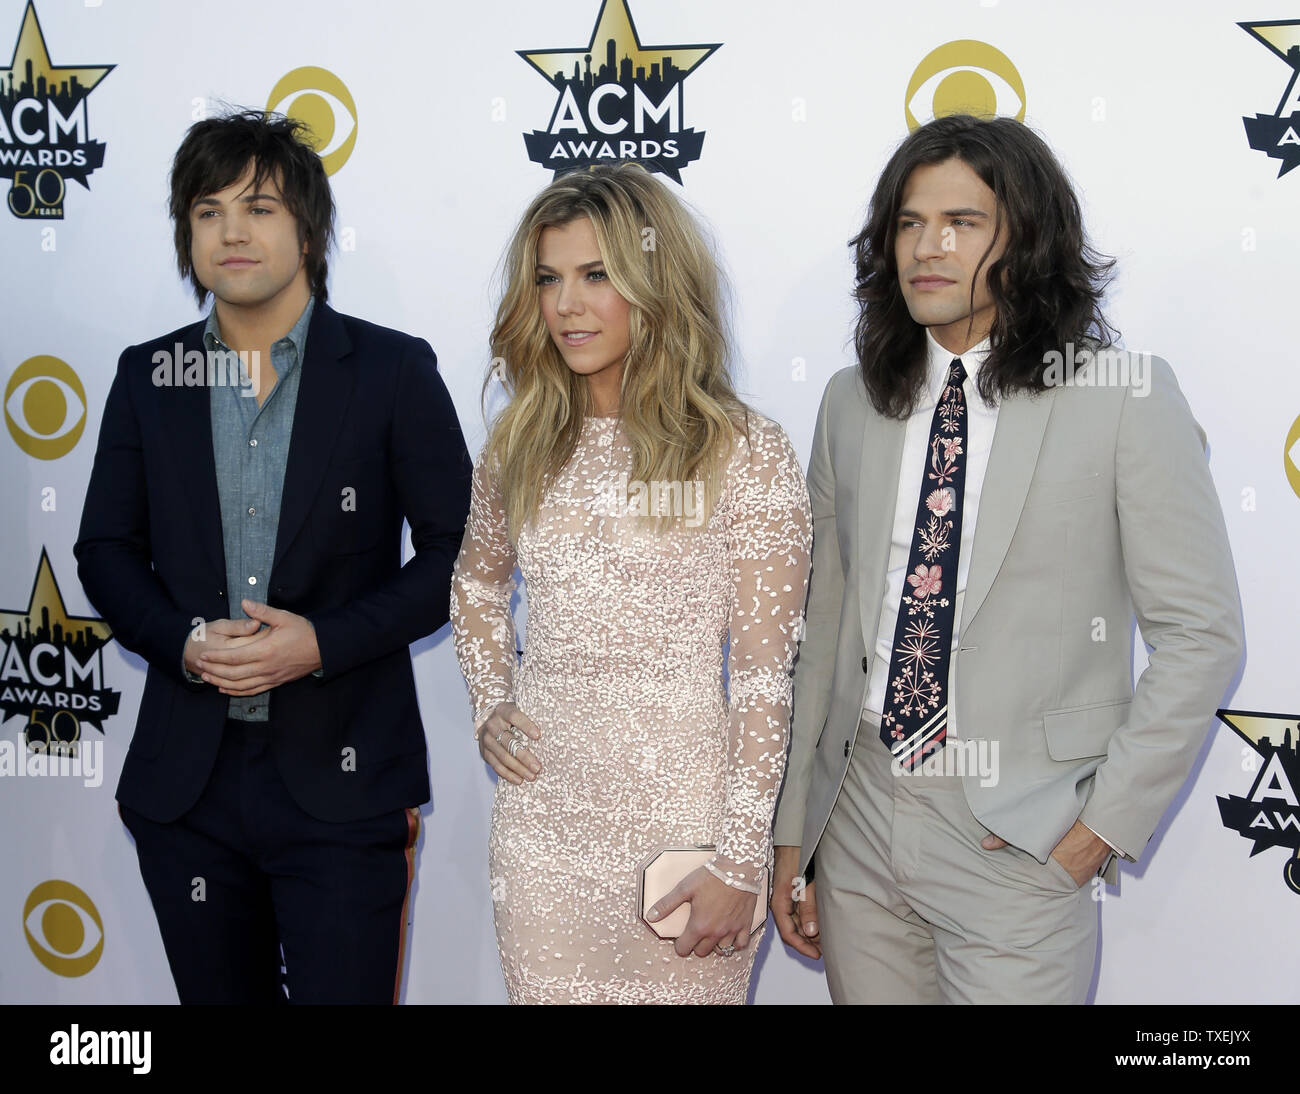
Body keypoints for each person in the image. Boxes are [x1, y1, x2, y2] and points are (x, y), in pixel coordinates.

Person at [771, 114, 1245, 1004]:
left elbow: (1201, 634)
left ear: (1026, 239)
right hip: (862, 806)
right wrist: (796, 823)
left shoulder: (1121, 397)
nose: (928, 247)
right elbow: (822, 628)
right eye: (909, 223)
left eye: (963, 222)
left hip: (1016, 826)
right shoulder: (851, 402)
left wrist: (1098, 827)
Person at [74, 110, 472, 1004]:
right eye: (208, 211)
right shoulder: (149, 376)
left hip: (342, 787)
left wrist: (319, 642)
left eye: (258, 207)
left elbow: (458, 557)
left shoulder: (390, 371)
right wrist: (182, 642)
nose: (232, 232)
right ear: (187, 235)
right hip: (189, 792)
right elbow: (104, 547)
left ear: (310, 229)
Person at [450, 164, 811, 1004]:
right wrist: (488, 700)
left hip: (685, 833)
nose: (566, 304)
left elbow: (764, 678)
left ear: (656, 283)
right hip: (543, 835)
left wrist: (737, 859)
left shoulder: (746, 451)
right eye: (548, 279)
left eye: (597, 275)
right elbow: (474, 584)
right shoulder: (522, 442)